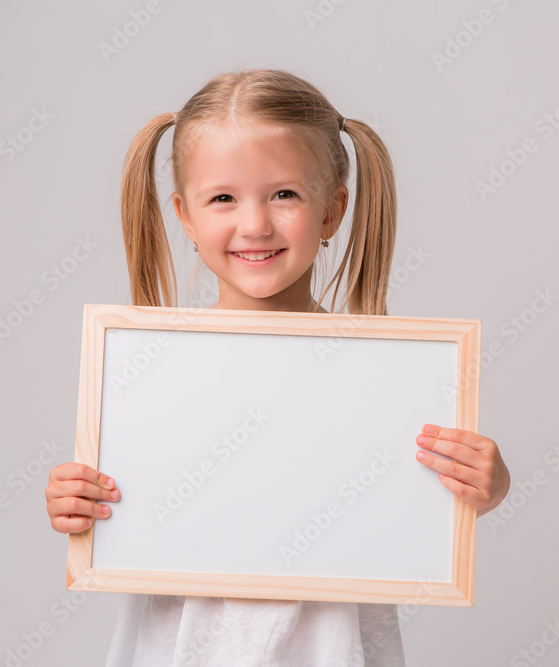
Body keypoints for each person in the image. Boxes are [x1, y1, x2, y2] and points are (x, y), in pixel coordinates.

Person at [45, 68, 511, 666]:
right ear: (186, 217)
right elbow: (123, 503)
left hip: (326, 644)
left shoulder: (382, 374)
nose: (256, 224)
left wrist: (486, 485)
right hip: (180, 641)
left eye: (284, 194)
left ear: (331, 212)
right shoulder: (151, 372)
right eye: (223, 198)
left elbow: (414, 502)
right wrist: (78, 503)